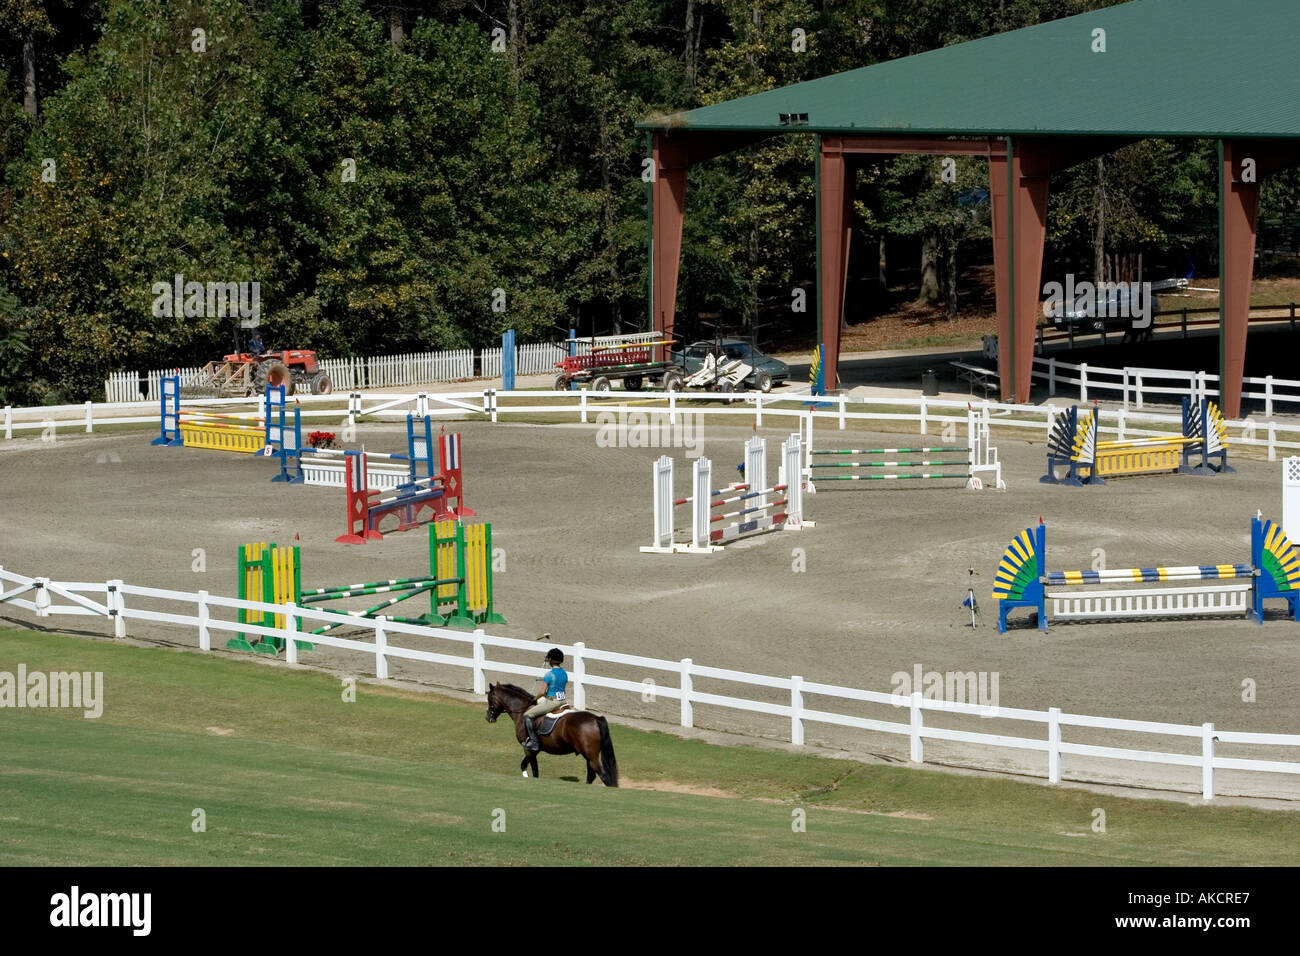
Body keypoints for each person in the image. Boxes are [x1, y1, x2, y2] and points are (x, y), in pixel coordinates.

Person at [523, 648, 568, 751]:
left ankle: (534, 742)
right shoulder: (564, 673)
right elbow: (564, 691)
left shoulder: (549, 674)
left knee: (527, 715)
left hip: (552, 702)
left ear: (551, 660)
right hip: (563, 701)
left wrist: (535, 698)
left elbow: (542, 692)